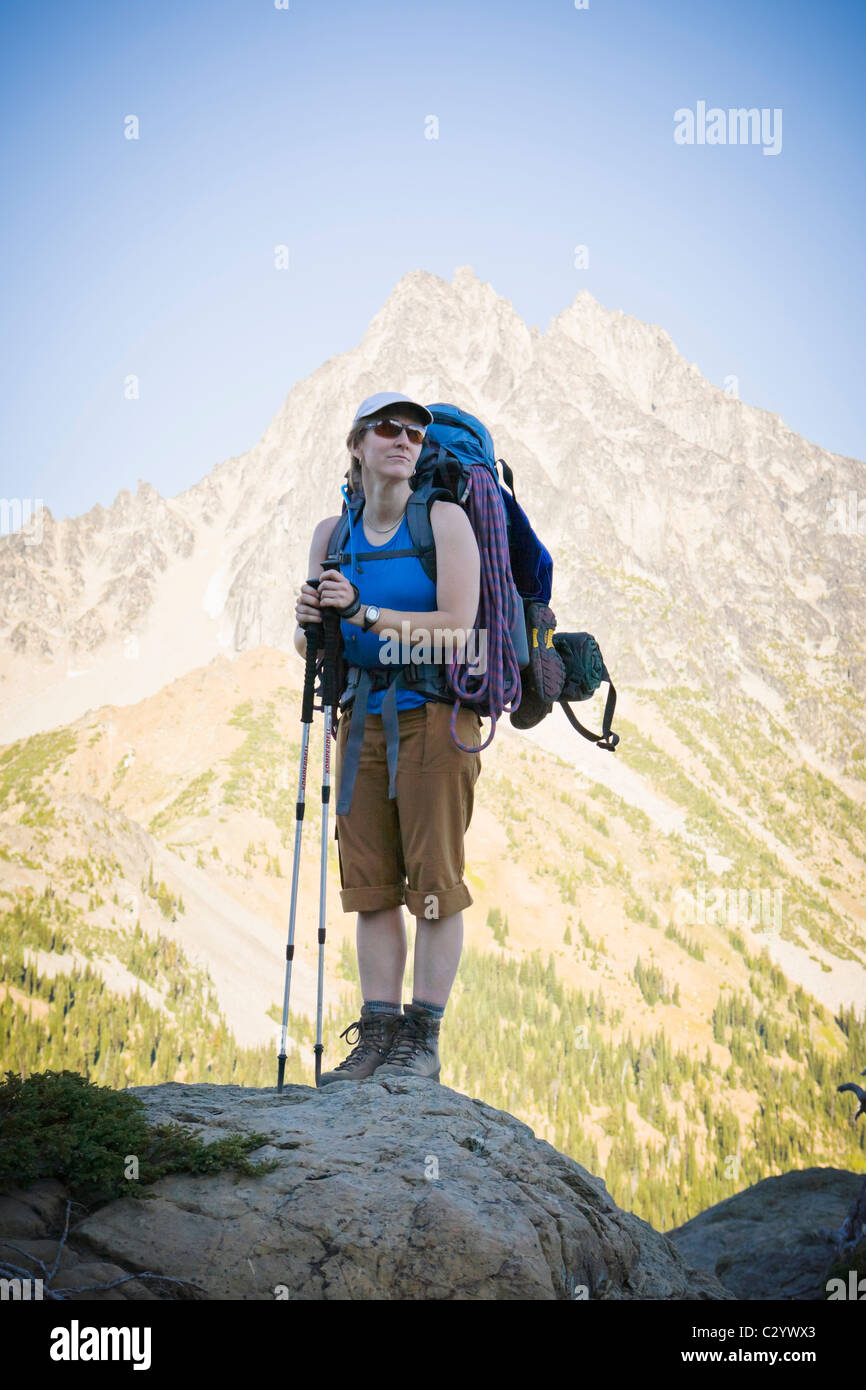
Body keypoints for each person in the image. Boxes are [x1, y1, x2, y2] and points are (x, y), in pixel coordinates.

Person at [293, 391, 482, 1087]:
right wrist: (309, 619)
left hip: (435, 714)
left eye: (414, 431)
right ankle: (376, 1039)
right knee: (371, 887)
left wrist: (366, 612)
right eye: (387, 429)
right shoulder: (331, 535)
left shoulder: (444, 521)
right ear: (357, 445)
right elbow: (309, 643)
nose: (403, 439)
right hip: (359, 719)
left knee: (433, 886)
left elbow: (460, 627)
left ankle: (419, 1042)